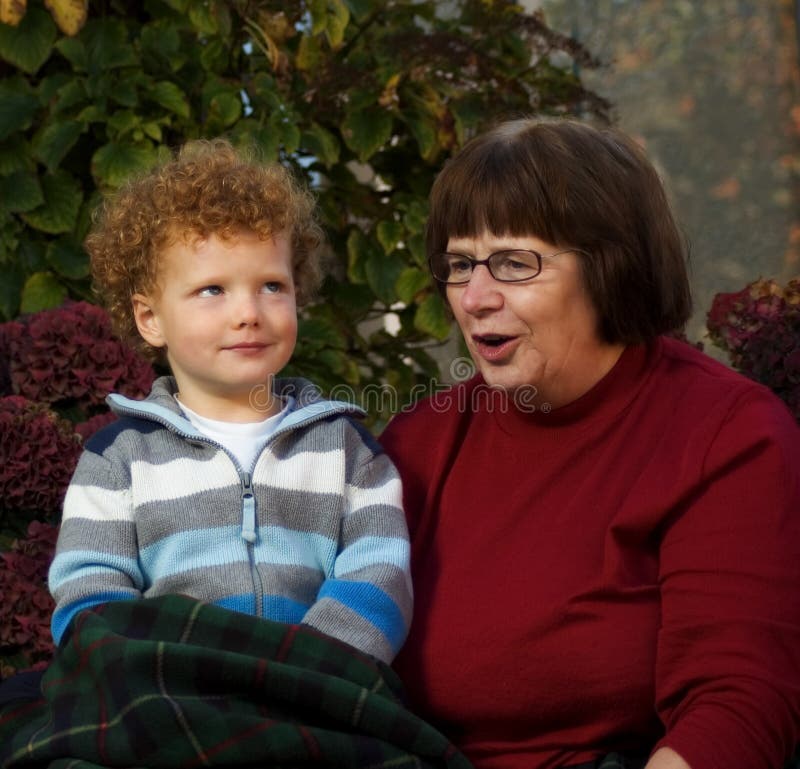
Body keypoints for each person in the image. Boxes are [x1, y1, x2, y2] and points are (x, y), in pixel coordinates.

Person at [380, 118, 800, 769]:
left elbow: (736, 703)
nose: (475, 297)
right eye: (460, 264)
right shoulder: (418, 442)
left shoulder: (725, 433)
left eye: (516, 263)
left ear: (610, 266)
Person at [48, 138, 412, 666]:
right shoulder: (118, 460)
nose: (249, 312)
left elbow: (381, 574)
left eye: (271, 285)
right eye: (212, 290)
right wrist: (153, 674)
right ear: (150, 319)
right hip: (170, 696)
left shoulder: (345, 449)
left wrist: (305, 672)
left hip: (318, 694)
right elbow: (89, 588)